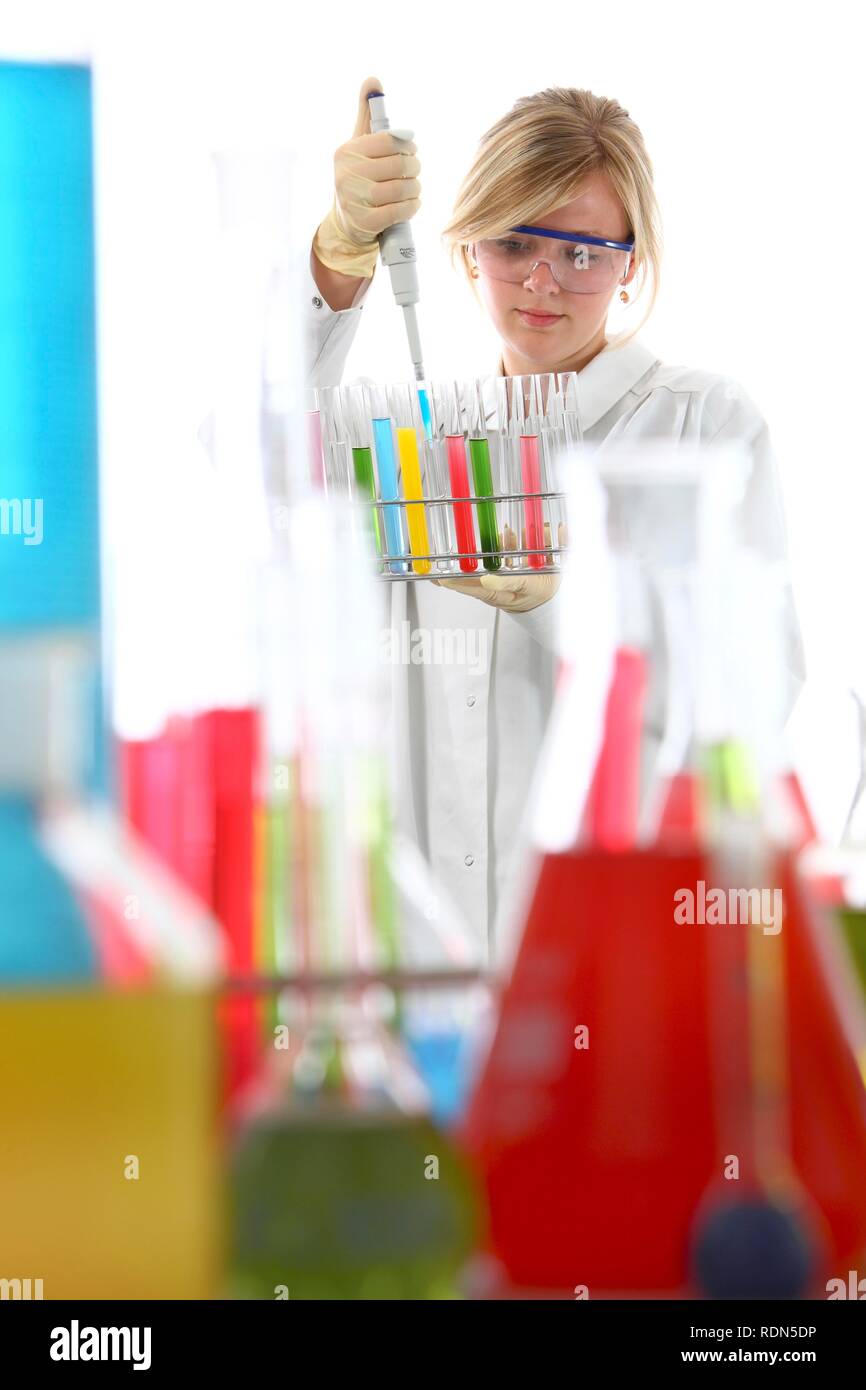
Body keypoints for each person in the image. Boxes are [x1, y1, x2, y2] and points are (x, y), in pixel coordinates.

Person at [306, 76, 805, 966]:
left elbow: (753, 695)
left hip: (630, 949)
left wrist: (561, 609)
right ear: (464, 251)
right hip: (431, 966)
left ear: (631, 262)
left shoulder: (702, 427)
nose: (542, 281)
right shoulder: (422, 441)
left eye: (581, 252)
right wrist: (335, 264)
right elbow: (253, 453)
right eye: (513, 242)